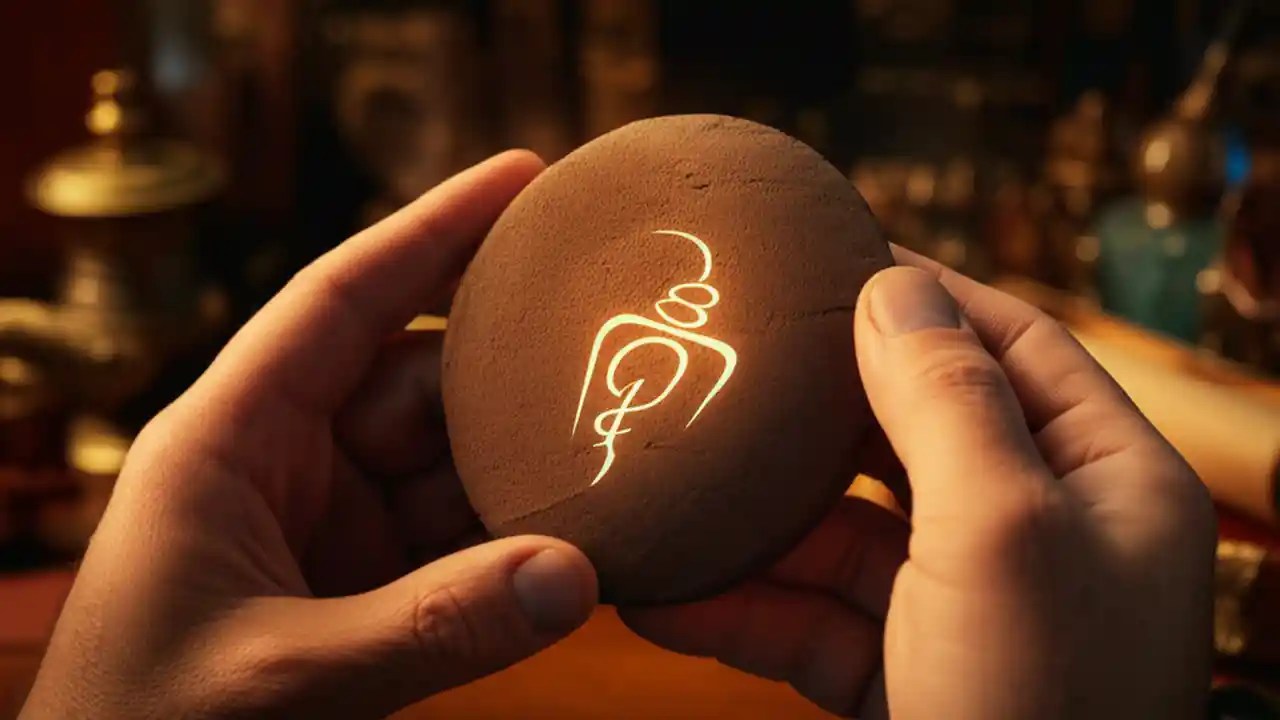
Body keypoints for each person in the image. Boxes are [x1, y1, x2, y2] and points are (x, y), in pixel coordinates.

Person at [19, 152, 1216, 719]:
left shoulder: (672, 337)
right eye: (680, 298)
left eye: (696, 300)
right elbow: (627, 380)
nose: (692, 309)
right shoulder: (638, 349)